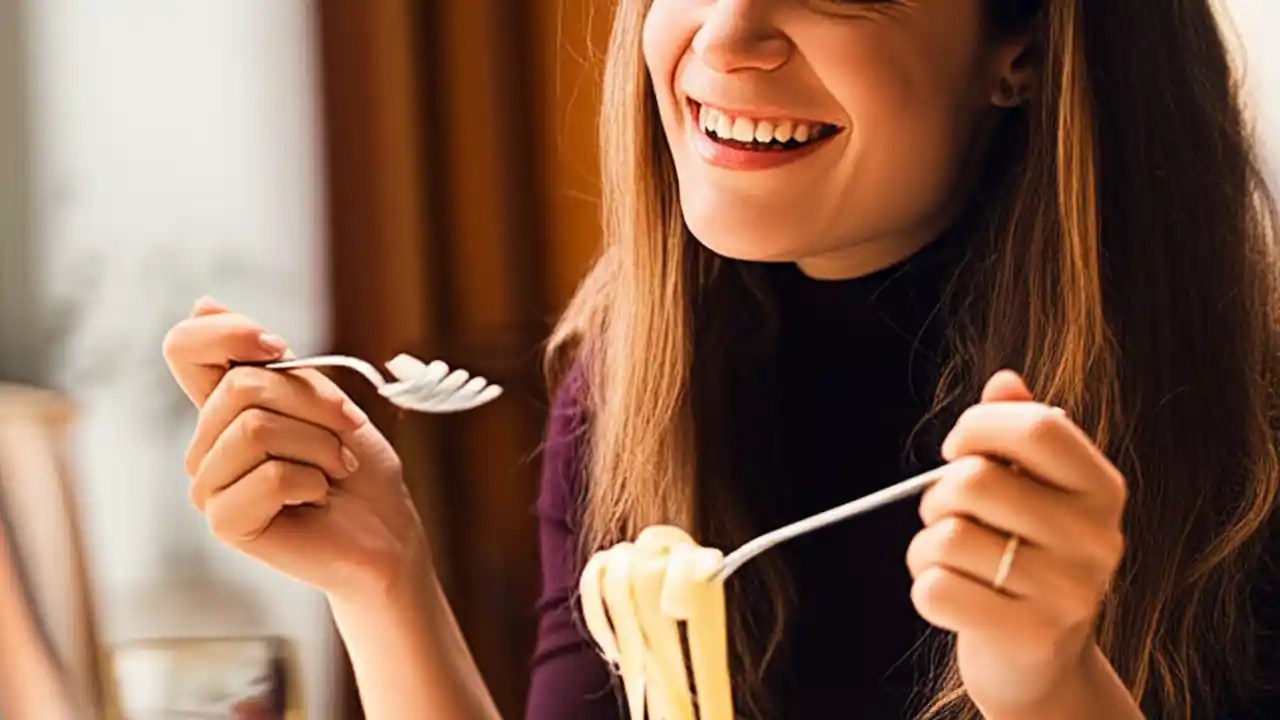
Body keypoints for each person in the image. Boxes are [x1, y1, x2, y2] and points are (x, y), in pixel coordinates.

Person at [163, 0, 1280, 717]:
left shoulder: (1248, 415)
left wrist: (1047, 686)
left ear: (1023, 48)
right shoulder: (633, 380)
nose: (727, 38)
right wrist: (379, 579)